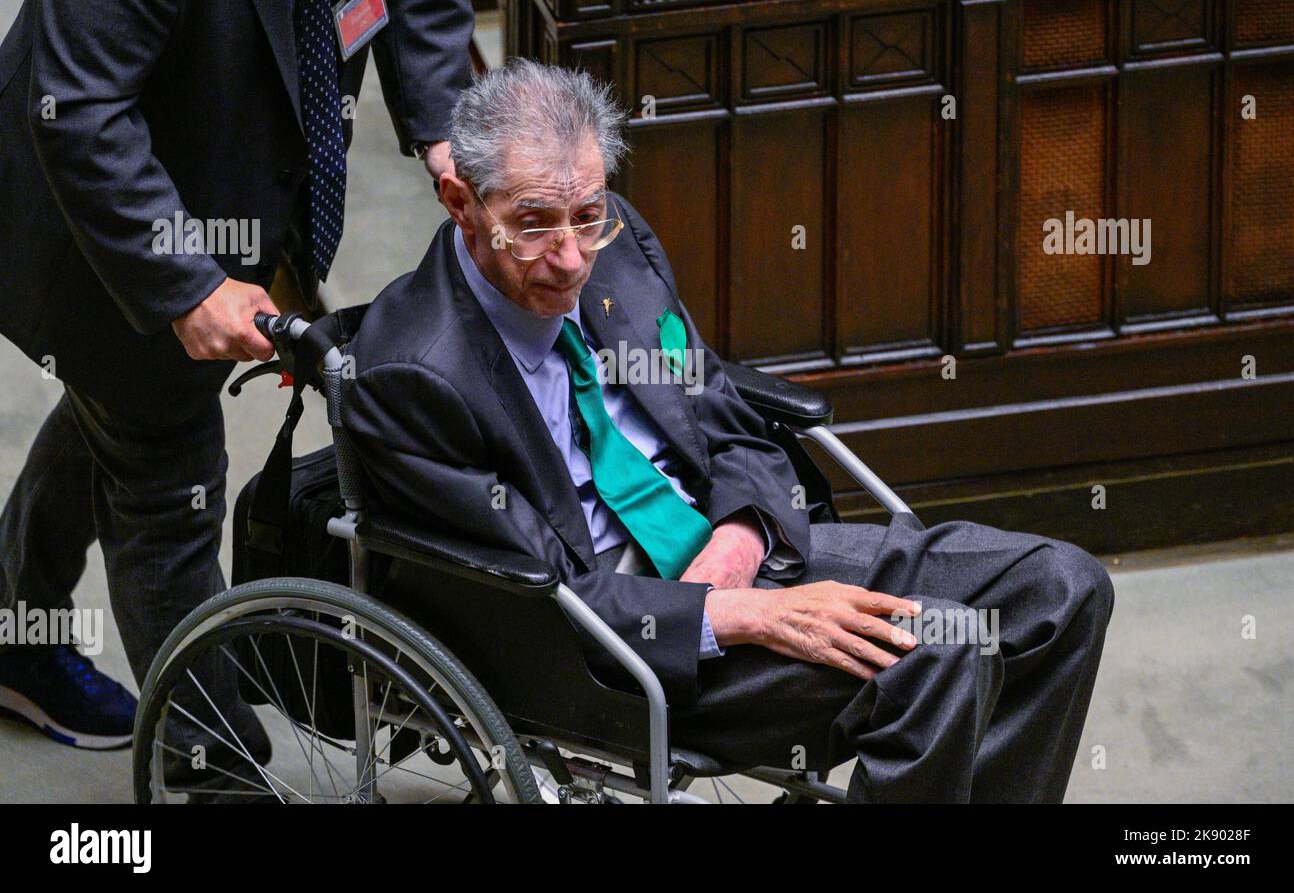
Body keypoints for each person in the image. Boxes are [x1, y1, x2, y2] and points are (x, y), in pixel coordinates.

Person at [340, 59, 1116, 803]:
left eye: (587, 217)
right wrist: (744, 614)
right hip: (628, 639)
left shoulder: (616, 243)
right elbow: (543, 600)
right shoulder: (415, 376)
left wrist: (743, 537)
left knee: (1063, 589)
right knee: (938, 654)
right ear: (459, 201)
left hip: (731, 552)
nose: (571, 258)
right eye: (534, 226)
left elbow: (717, 412)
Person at [0, 0, 474, 781]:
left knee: (115, 413)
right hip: (100, 217)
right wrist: (184, 282)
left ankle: (12, 629)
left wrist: (446, 131)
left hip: (238, 175)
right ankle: (221, 771)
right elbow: (80, 112)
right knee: (162, 471)